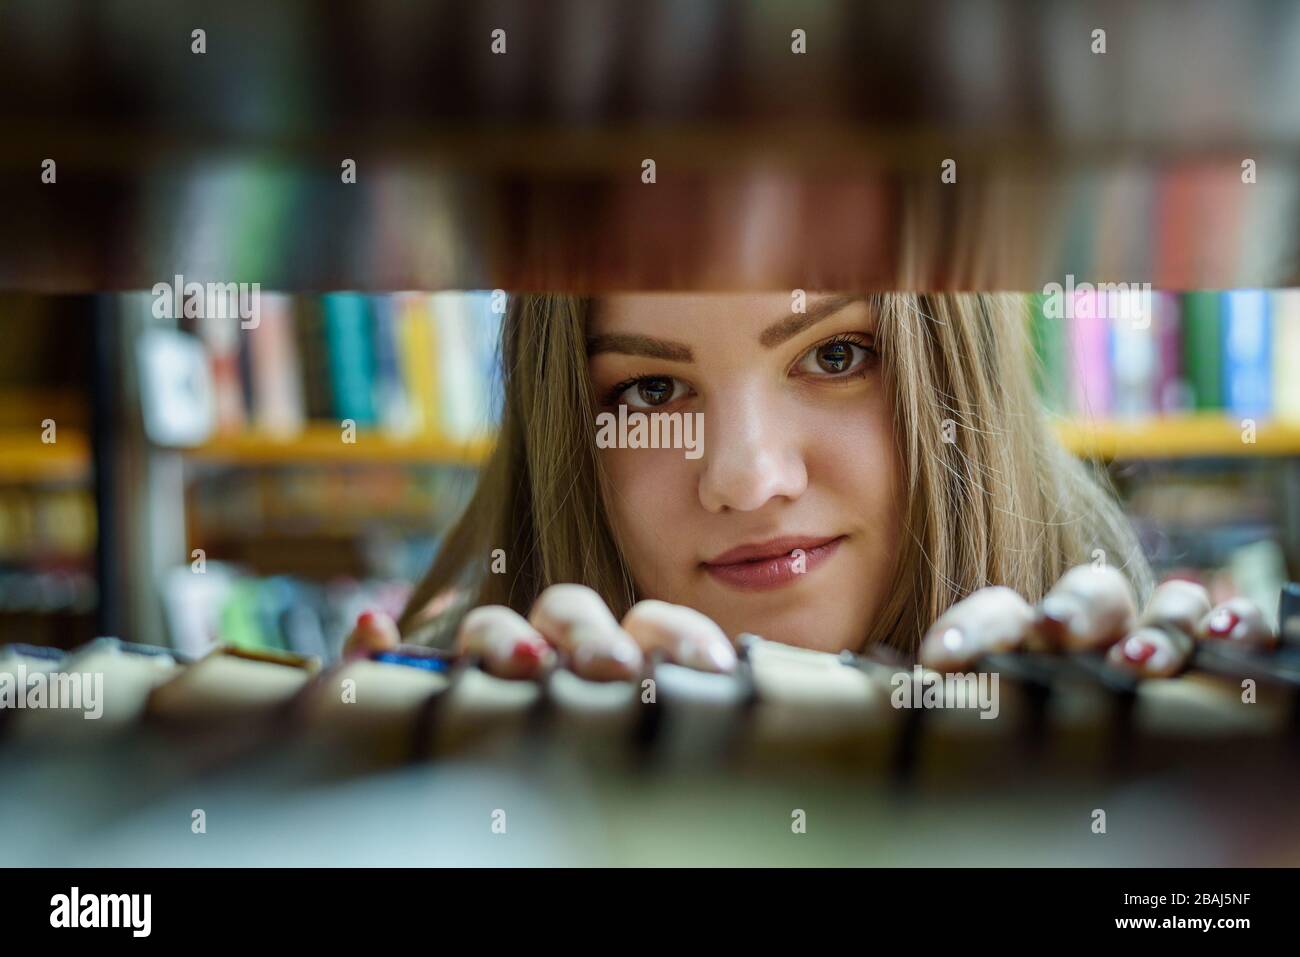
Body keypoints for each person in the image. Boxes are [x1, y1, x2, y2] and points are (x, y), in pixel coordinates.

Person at [346, 292, 1276, 678]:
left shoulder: (1152, 726)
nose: (749, 479)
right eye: (650, 388)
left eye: (836, 354)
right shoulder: (464, 753)